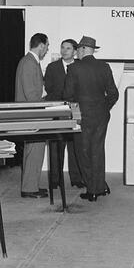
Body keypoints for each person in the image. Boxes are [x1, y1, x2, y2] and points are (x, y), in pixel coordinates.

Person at [62, 36, 118, 201]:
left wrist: (79, 110)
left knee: (83, 152)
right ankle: (101, 186)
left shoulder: (74, 68)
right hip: (101, 116)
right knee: (98, 151)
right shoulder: (104, 67)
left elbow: (68, 95)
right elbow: (114, 94)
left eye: (78, 49)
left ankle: (93, 190)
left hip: (82, 116)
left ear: (83, 49)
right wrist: (103, 108)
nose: (77, 52)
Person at [43, 38, 84, 190]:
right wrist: (64, 98)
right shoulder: (52, 67)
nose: (64, 51)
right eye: (62, 48)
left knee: (75, 146)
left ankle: (76, 178)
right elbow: (49, 88)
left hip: (75, 111)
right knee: (56, 146)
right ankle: (55, 179)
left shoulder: (80, 67)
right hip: (58, 110)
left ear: (74, 51)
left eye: (67, 48)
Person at [14, 32, 50, 198]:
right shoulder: (29, 63)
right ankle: (29, 189)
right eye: (47, 46)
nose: (47, 50)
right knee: (33, 151)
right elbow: (31, 94)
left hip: (35, 113)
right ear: (41, 45)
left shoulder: (31, 62)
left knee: (35, 151)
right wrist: (46, 99)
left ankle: (32, 185)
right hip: (32, 114)